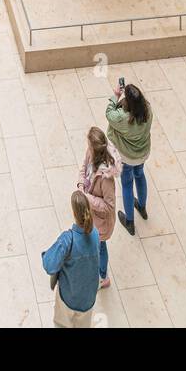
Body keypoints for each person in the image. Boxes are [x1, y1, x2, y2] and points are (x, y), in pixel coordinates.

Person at [41, 192, 102, 329]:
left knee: (61, 324)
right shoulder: (96, 234)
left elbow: (49, 265)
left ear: (74, 214)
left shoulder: (68, 239)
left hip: (68, 297)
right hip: (88, 298)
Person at [106, 82, 152, 236]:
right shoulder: (148, 110)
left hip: (127, 157)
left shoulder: (123, 118)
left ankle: (130, 222)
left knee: (127, 184)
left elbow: (109, 113)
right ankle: (142, 207)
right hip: (143, 152)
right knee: (140, 175)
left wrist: (116, 96)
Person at [77, 126, 119, 288]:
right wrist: (81, 183)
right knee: (91, 242)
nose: (87, 149)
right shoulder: (90, 154)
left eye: (89, 146)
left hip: (100, 221)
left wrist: (87, 198)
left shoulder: (107, 178)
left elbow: (109, 206)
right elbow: (83, 168)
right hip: (89, 213)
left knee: (100, 246)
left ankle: (103, 276)